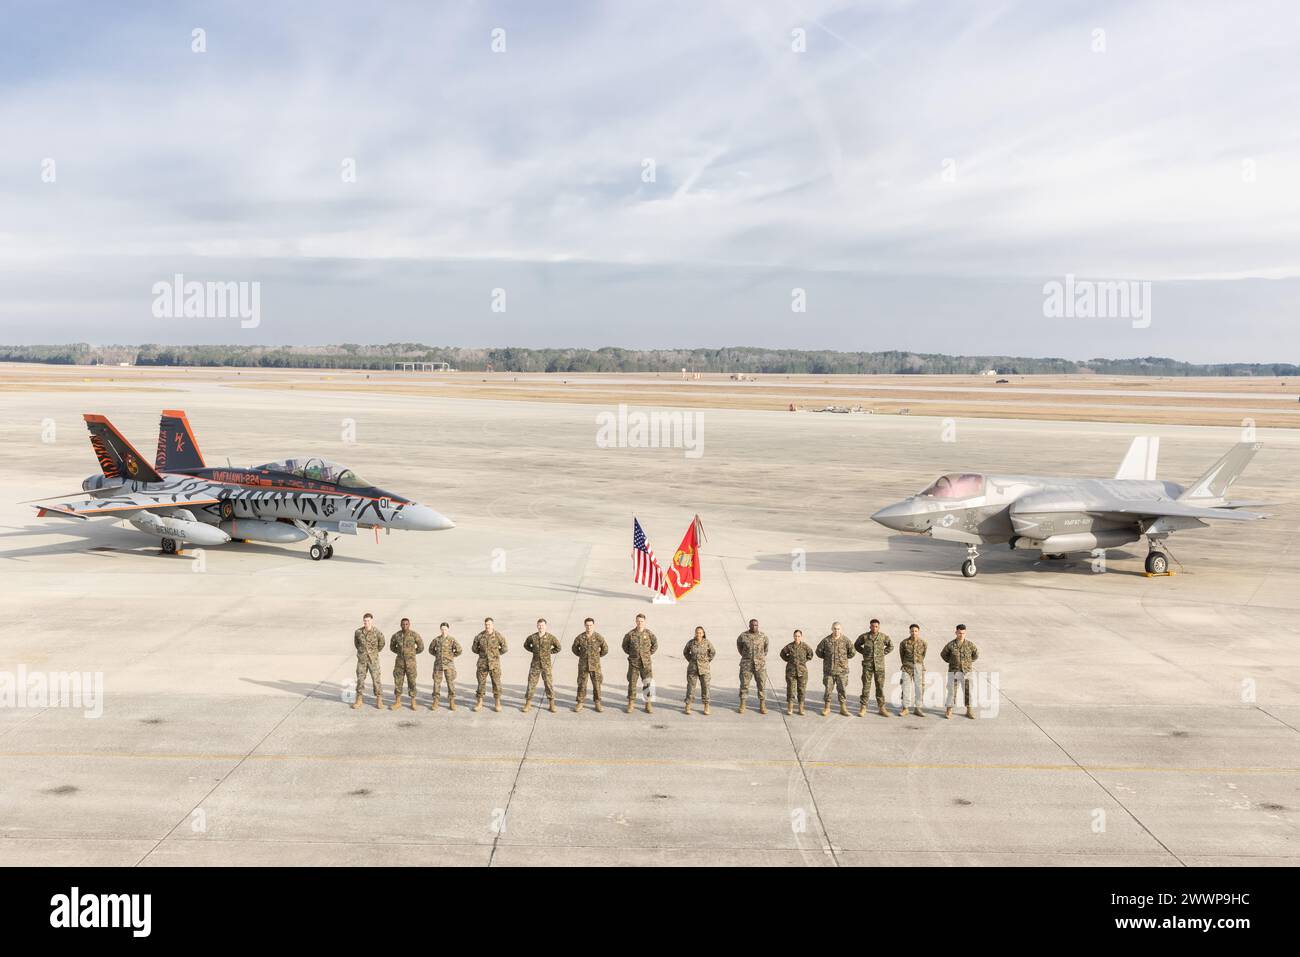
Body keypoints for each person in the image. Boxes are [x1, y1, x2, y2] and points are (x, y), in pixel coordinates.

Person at [854, 619, 894, 717]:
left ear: (879, 627)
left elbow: (891, 646)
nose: (874, 628)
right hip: (868, 665)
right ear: (870, 627)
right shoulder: (864, 636)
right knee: (866, 687)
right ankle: (863, 707)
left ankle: (881, 707)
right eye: (872, 626)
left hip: (879, 666)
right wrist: (865, 653)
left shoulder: (883, 637)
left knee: (880, 687)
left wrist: (882, 654)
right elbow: (856, 645)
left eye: (876, 626)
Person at [940, 624, 980, 719]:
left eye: (963, 633)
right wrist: (952, 662)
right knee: (951, 691)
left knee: (968, 691)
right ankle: (949, 710)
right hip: (953, 671)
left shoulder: (970, 645)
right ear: (956, 633)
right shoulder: (951, 645)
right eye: (959, 633)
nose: (961, 635)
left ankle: (969, 710)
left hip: (966, 672)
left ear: (965, 633)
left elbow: (976, 655)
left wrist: (968, 663)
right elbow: (943, 655)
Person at [523, 618, 562, 713]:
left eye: (542, 625)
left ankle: (551, 704)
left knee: (548, 684)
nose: (541, 627)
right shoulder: (532, 637)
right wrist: (533, 651)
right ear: (537, 626)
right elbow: (526, 645)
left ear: (546, 626)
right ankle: (528, 703)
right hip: (535, 665)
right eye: (539, 625)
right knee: (531, 683)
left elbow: (558, 647)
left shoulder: (551, 637)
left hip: (546, 665)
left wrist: (549, 652)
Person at [816, 622, 855, 716]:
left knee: (842, 690)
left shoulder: (845, 640)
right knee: (828, 690)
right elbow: (818, 652)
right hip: (829, 671)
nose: (836, 630)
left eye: (838, 629)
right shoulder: (826, 640)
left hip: (842, 671)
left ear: (841, 630)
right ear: (831, 629)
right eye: (834, 628)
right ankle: (827, 708)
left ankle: (843, 708)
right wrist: (828, 659)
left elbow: (852, 652)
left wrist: (843, 660)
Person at [622, 613, 658, 713]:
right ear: (635, 621)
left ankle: (648, 704)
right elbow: (624, 646)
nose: (640, 623)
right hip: (634, 663)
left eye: (641, 621)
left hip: (646, 663)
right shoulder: (630, 634)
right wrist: (632, 654)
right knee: (632, 683)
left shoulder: (649, 633)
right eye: (638, 621)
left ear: (644, 622)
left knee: (648, 683)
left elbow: (655, 644)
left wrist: (648, 654)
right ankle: (631, 703)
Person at [471, 617, 508, 713]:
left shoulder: (498, 636)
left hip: (494, 664)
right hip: (482, 664)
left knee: (496, 683)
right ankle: (479, 703)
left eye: (489, 624)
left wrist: (495, 655)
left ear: (493, 625)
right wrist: (483, 655)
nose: (488, 626)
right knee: (481, 684)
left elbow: (504, 648)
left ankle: (497, 703)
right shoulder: (479, 636)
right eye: (486, 624)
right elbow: (474, 649)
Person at [571, 617, 608, 712]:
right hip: (583, 665)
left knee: (597, 684)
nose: (589, 627)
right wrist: (582, 656)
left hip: (595, 666)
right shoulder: (580, 637)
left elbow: (605, 649)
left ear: (593, 626)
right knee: (582, 684)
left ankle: (597, 702)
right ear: (584, 626)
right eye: (587, 625)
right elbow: (574, 649)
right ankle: (580, 702)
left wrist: (597, 657)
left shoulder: (598, 637)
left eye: (590, 625)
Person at [389, 617, 424, 711]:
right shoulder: (396, 635)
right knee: (398, 682)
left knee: (412, 682)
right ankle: (398, 702)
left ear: (409, 625)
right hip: (399, 663)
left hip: (411, 663)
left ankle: (413, 702)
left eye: (406, 624)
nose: (405, 626)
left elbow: (421, 647)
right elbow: (392, 647)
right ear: (400, 625)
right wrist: (400, 653)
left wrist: (412, 653)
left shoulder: (414, 635)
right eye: (403, 624)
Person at [352, 612, 386, 710]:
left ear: (372, 621)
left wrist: (374, 652)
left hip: (373, 660)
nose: (366, 622)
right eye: (365, 621)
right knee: (360, 679)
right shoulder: (358, 632)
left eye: (368, 621)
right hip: (362, 660)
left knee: (376, 680)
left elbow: (382, 644)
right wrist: (362, 652)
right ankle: (359, 699)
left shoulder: (377, 632)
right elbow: (357, 644)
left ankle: (379, 699)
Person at [736, 618, 769, 715]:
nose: (754, 627)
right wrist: (746, 656)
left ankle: (762, 705)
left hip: (760, 665)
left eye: (756, 625)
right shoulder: (743, 636)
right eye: (752, 625)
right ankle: (742, 704)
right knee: (744, 684)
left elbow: (765, 649)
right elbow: (739, 647)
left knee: (761, 685)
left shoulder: (763, 636)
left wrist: (760, 658)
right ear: (749, 625)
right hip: (747, 665)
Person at [428, 622, 462, 711]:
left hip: (449, 665)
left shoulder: (452, 640)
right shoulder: (436, 640)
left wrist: (451, 656)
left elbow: (459, 650)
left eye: (445, 629)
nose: (444, 631)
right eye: (442, 629)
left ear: (448, 630)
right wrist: (437, 655)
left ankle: (452, 701)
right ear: (440, 630)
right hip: (438, 664)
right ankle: (435, 701)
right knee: (436, 683)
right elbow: (431, 649)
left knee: (450, 683)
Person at [779, 629, 814, 715]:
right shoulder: (789, 646)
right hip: (791, 672)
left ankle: (801, 709)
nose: (797, 638)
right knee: (791, 689)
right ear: (793, 636)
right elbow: (782, 654)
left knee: (801, 690)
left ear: (801, 637)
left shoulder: (805, 646)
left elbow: (810, 654)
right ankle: (790, 708)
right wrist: (789, 660)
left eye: (798, 636)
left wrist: (803, 661)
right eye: (795, 636)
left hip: (802, 672)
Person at [683, 626, 716, 715]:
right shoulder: (691, 643)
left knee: (705, 687)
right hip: (692, 668)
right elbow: (685, 652)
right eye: (697, 632)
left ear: (703, 633)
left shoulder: (707, 643)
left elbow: (712, 652)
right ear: (695, 633)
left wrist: (706, 661)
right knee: (691, 687)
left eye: (700, 632)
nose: (698, 634)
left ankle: (706, 705)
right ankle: (688, 705)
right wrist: (691, 660)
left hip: (704, 669)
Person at [898, 624, 926, 717]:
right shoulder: (904, 643)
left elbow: (923, 655)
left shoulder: (923, 643)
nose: (914, 633)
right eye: (912, 631)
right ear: (909, 632)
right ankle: (905, 708)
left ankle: (918, 708)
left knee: (919, 688)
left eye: (916, 631)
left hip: (919, 667)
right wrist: (907, 664)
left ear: (918, 631)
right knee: (905, 687)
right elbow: (902, 655)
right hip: (907, 668)